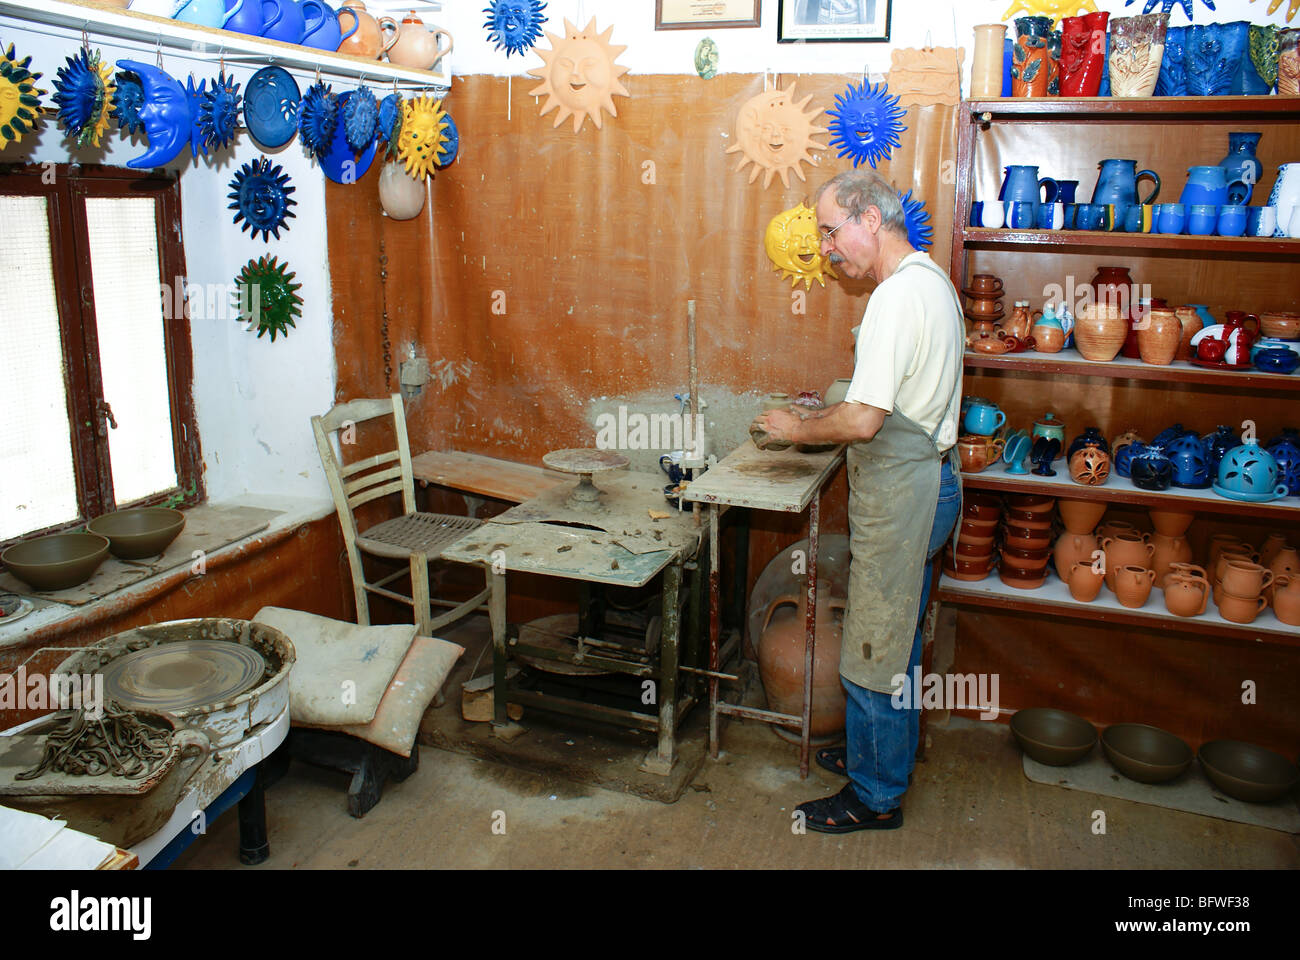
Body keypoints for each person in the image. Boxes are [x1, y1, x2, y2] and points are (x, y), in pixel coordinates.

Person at [754, 169, 963, 832]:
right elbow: (890, 395)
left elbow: (866, 420)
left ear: (870, 217)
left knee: (872, 648)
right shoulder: (931, 281)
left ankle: (874, 799)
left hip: (907, 495)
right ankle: (883, 759)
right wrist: (835, 405)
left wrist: (798, 428)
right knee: (895, 642)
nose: (825, 246)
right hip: (931, 485)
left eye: (830, 229)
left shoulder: (896, 300)